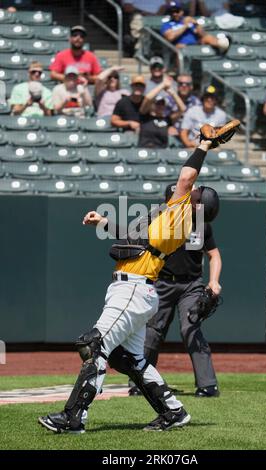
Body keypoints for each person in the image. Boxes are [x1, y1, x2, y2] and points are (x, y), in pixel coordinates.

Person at [38, 122, 231, 434]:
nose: (190, 189)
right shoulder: (172, 217)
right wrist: (103, 221)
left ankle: (74, 417)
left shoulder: (183, 214)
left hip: (133, 288)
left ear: (198, 204)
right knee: (129, 360)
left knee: (96, 344)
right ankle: (173, 411)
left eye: (196, 192)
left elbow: (186, 175)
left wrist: (204, 144)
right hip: (135, 289)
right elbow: (135, 238)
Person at [129, 183, 222, 397]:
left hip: (191, 284)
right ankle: (139, 382)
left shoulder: (201, 224)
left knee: (191, 328)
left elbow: (214, 255)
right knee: (152, 332)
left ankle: (208, 385)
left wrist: (214, 281)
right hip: (161, 282)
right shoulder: (160, 218)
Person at [160, 1, 230, 53]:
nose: (174, 14)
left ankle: (222, 44)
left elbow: (202, 34)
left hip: (196, 43)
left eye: (177, 11)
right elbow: (170, 37)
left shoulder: (188, 19)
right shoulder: (167, 24)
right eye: (171, 12)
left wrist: (196, 24)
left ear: (182, 11)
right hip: (181, 46)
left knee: (207, 37)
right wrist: (185, 26)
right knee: (180, 47)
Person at [138, 77, 186, 147]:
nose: (160, 106)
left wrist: (172, 93)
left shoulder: (167, 119)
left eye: (162, 104)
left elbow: (182, 109)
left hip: (162, 153)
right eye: (157, 104)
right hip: (144, 151)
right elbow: (148, 98)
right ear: (152, 105)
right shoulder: (144, 116)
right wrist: (163, 85)